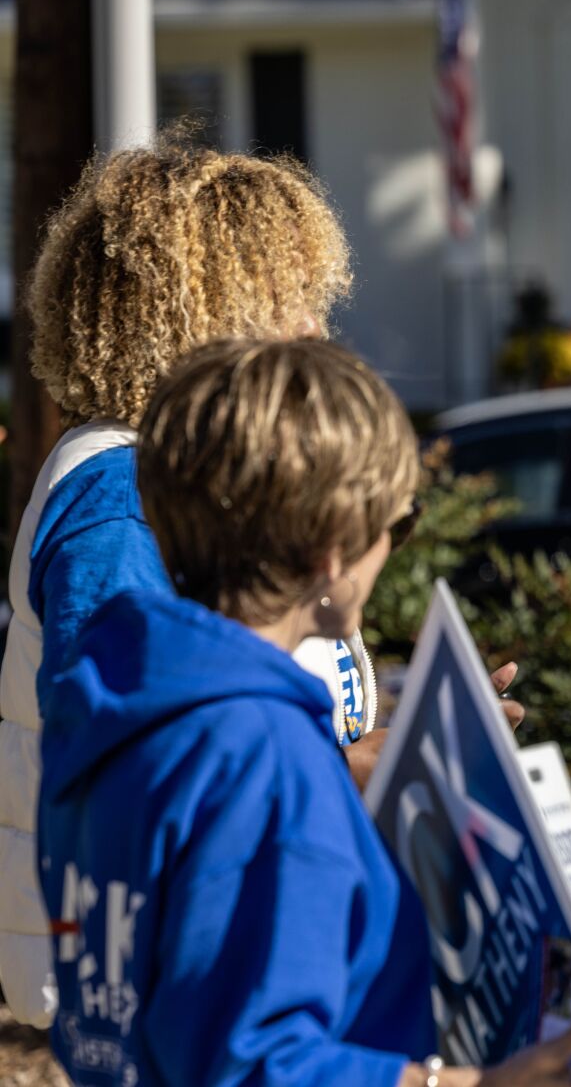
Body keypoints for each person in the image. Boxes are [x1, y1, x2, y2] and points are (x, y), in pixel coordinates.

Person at [36, 339, 571, 1087]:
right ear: (333, 550)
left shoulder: (115, 700)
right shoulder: (267, 755)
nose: (392, 550)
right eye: (395, 526)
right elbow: (256, 1067)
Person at [0, 140, 364, 1027]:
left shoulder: (181, 483)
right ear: (188, 314)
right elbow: (129, 761)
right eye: (284, 302)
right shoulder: (124, 502)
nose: (315, 329)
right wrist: (345, 768)